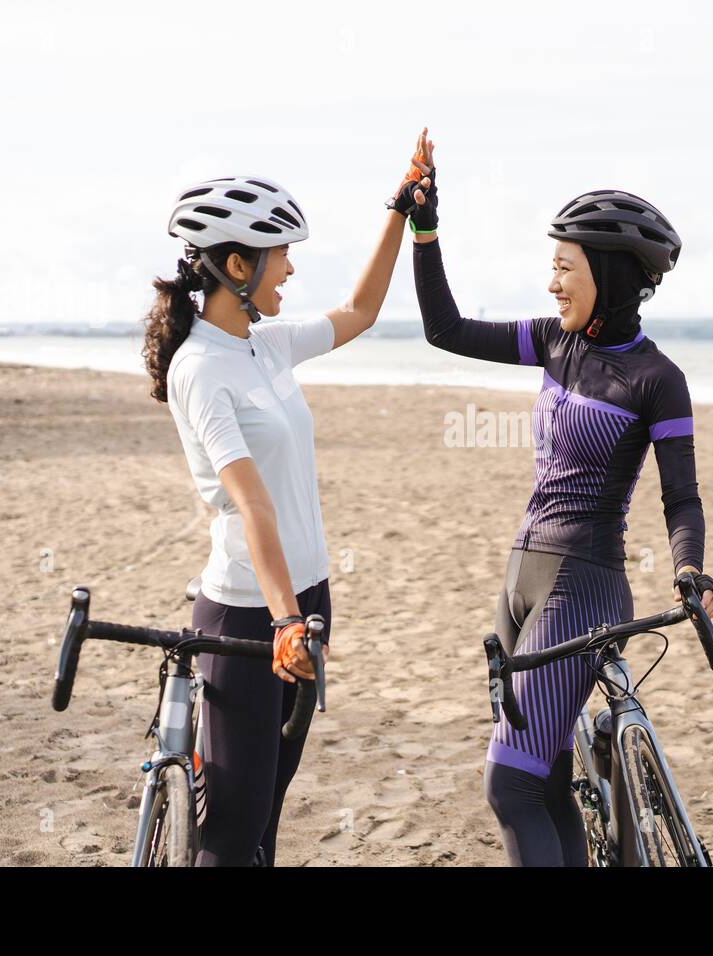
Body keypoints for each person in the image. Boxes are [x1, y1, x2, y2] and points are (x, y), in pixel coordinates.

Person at [407, 153, 713, 866]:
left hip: (582, 589)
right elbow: (446, 329)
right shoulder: (553, 343)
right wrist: (424, 230)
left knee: (509, 787)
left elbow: (681, 494)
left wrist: (689, 569)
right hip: (518, 584)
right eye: (552, 266)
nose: (552, 282)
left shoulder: (656, 379)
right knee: (545, 781)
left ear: (609, 276)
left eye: (565, 267)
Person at [141, 132, 433, 866]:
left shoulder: (261, 346)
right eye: (279, 254)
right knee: (232, 837)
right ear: (237, 266)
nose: (291, 267)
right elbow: (252, 506)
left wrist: (398, 211)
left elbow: (360, 312)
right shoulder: (202, 369)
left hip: (306, 600)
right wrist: (283, 623)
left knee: (267, 815)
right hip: (251, 616)